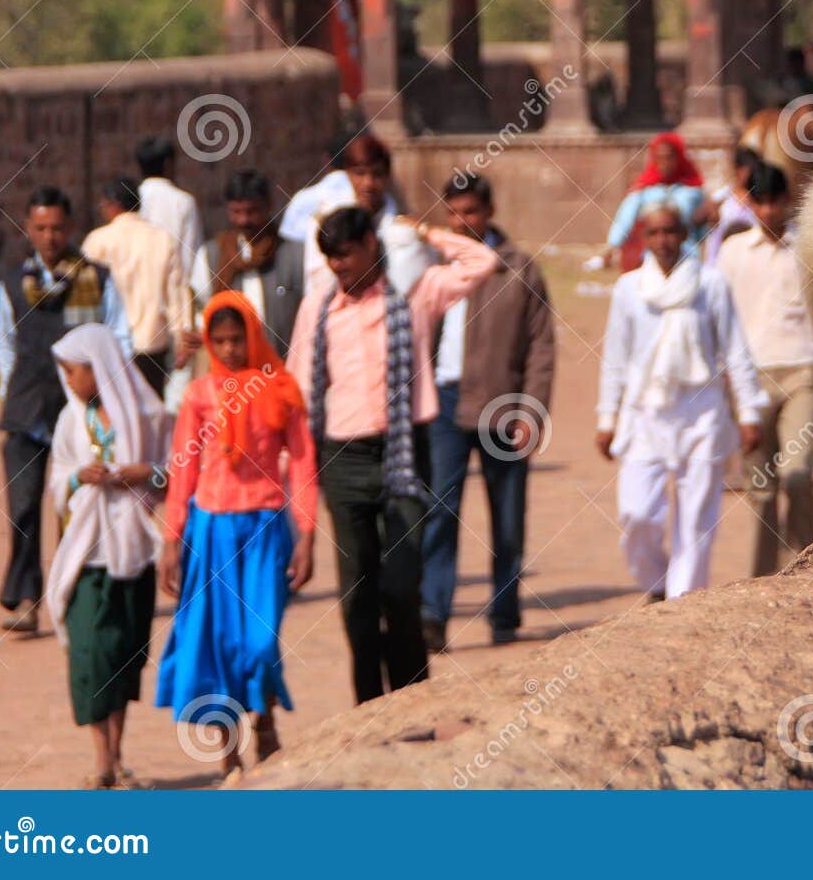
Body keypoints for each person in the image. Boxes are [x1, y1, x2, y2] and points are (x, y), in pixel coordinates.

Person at [285, 205, 497, 702]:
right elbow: (299, 385)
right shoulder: (317, 309)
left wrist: (424, 231)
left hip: (404, 455)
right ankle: (369, 704)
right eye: (331, 257)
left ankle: (410, 698)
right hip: (344, 460)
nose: (339, 265)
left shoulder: (415, 296)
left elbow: (480, 262)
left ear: (371, 246)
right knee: (357, 592)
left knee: (401, 586)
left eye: (347, 253)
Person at [156, 294, 318, 774]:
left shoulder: (283, 390)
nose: (228, 350)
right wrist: (171, 540)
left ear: (254, 336)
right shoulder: (199, 395)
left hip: (265, 527)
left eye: (237, 339)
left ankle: (265, 720)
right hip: (210, 532)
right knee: (215, 643)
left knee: (260, 640)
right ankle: (228, 758)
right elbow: (181, 470)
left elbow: (305, 464)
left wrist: (307, 534)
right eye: (218, 341)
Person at [596, 206, 765, 600]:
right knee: (636, 513)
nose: (663, 241)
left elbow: (735, 350)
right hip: (645, 414)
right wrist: (607, 417)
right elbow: (615, 359)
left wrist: (749, 411)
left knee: (696, 519)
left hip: (702, 411)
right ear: (644, 237)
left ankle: (682, 598)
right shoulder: (628, 288)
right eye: (654, 233)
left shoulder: (710, 284)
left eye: (671, 232)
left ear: (684, 234)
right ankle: (656, 582)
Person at [420, 174, 556, 651]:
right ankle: (433, 613)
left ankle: (503, 613)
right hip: (443, 402)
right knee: (439, 507)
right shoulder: (433, 268)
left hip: (502, 403)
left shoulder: (517, 269)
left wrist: (531, 410)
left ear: (490, 210)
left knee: (507, 514)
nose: (463, 222)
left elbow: (541, 346)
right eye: (454, 212)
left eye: (471, 212)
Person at [0, 186, 133, 635]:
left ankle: (79, 591)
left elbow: (119, 338)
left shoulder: (97, 278)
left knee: (80, 500)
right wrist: (10, 391)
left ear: (71, 228)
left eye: (57, 227)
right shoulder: (13, 283)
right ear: (28, 229)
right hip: (27, 407)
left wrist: (109, 399)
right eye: (40, 228)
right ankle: (28, 599)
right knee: (25, 505)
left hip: (84, 410)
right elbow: (6, 345)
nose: (49, 236)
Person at [42, 323, 169, 790]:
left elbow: (173, 474)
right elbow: (57, 482)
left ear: (100, 368)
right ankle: (101, 760)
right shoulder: (69, 421)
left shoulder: (147, 416)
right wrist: (80, 477)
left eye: (74, 370)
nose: (69, 380)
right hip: (86, 555)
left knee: (124, 655)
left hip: (132, 551)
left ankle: (116, 756)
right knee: (90, 657)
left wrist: (143, 473)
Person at [715, 164, 813, 576]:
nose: (770, 211)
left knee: (797, 475)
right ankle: (763, 580)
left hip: (801, 377)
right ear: (750, 203)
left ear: (787, 201)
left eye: (777, 202)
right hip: (750, 383)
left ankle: (810, 568)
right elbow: (720, 323)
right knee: (761, 490)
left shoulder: (807, 250)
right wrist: (727, 388)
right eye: (762, 202)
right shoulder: (732, 252)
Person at [82, 177, 194, 394]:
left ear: (110, 204)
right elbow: (176, 295)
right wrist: (182, 337)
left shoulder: (97, 241)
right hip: (152, 345)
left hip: (110, 347)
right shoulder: (163, 239)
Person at [301, 132, 434, 300]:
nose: (368, 183)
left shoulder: (405, 232)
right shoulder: (325, 224)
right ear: (347, 174)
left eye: (377, 174)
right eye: (360, 173)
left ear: (387, 177)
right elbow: (316, 286)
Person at [190, 169, 304, 355]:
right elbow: (201, 317)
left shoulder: (295, 255)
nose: (244, 220)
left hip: (283, 368)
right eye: (236, 212)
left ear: (268, 206)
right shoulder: (211, 256)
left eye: (252, 211)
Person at [605, 132, 706, 272]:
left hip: (688, 256)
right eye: (659, 158)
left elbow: (702, 227)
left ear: (678, 158)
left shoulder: (693, 193)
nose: (664, 164)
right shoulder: (643, 192)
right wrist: (613, 246)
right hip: (653, 256)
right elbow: (625, 219)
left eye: (669, 158)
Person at [134, 136, 203, 279]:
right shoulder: (184, 201)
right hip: (174, 289)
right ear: (168, 164)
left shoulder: (132, 198)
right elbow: (190, 254)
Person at [700, 146, 760, 265]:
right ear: (737, 169)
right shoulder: (720, 199)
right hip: (718, 263)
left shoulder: (760, 201)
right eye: (750, 170)